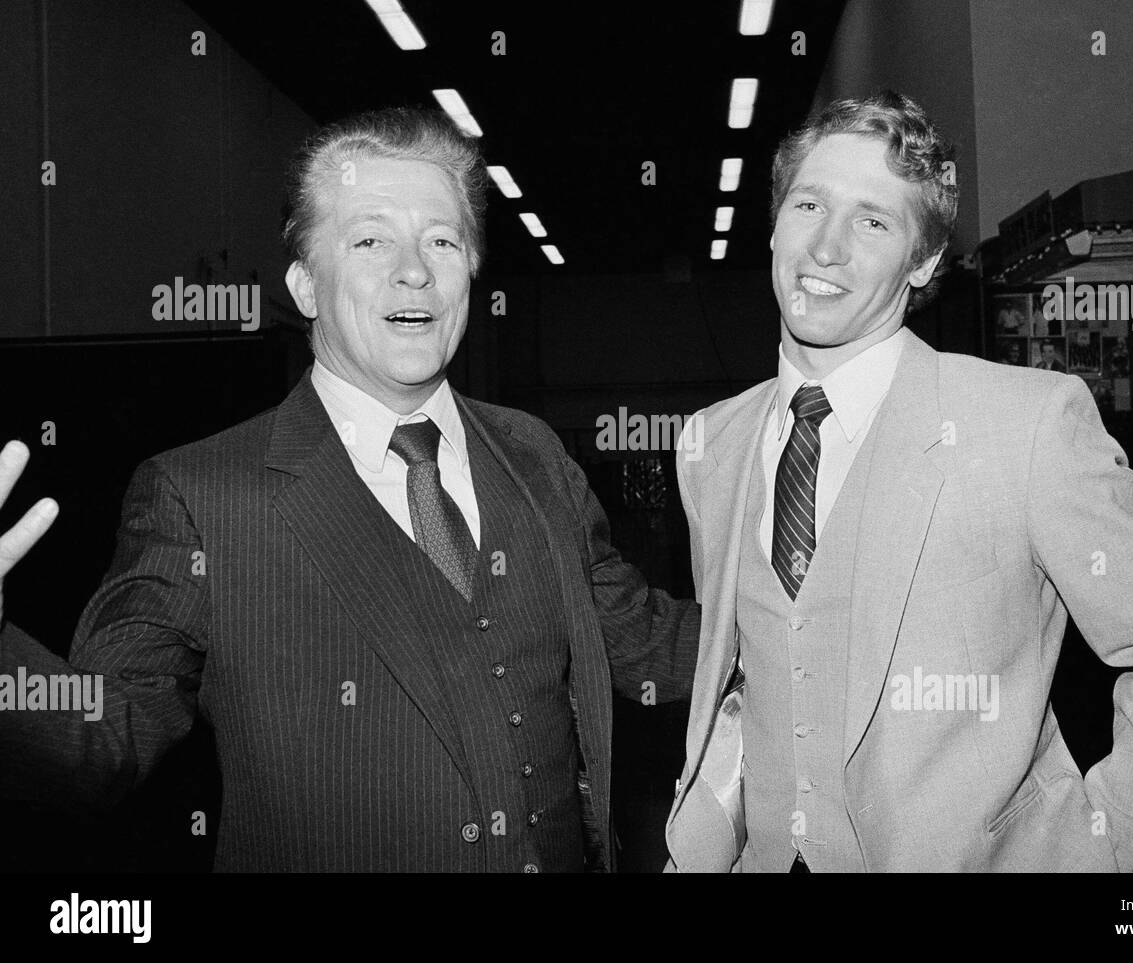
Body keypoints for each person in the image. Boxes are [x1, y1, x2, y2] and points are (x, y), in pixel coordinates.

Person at [0, 107, 700, 873]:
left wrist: (825, 611)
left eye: (442, 239)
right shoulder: (202, 497)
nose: (414, 270)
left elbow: (641, 644)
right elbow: (109, 737)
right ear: (304, 285)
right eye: (371, 240)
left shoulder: (534, 455)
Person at [664, 92, 1133, 872]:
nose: (826, 248)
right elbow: (751, 675)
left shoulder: (1027, 425)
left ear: (925, 260)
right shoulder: (711, 444)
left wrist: (1097, 852)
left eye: (873, 221)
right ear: (773, 223)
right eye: (809, 204)